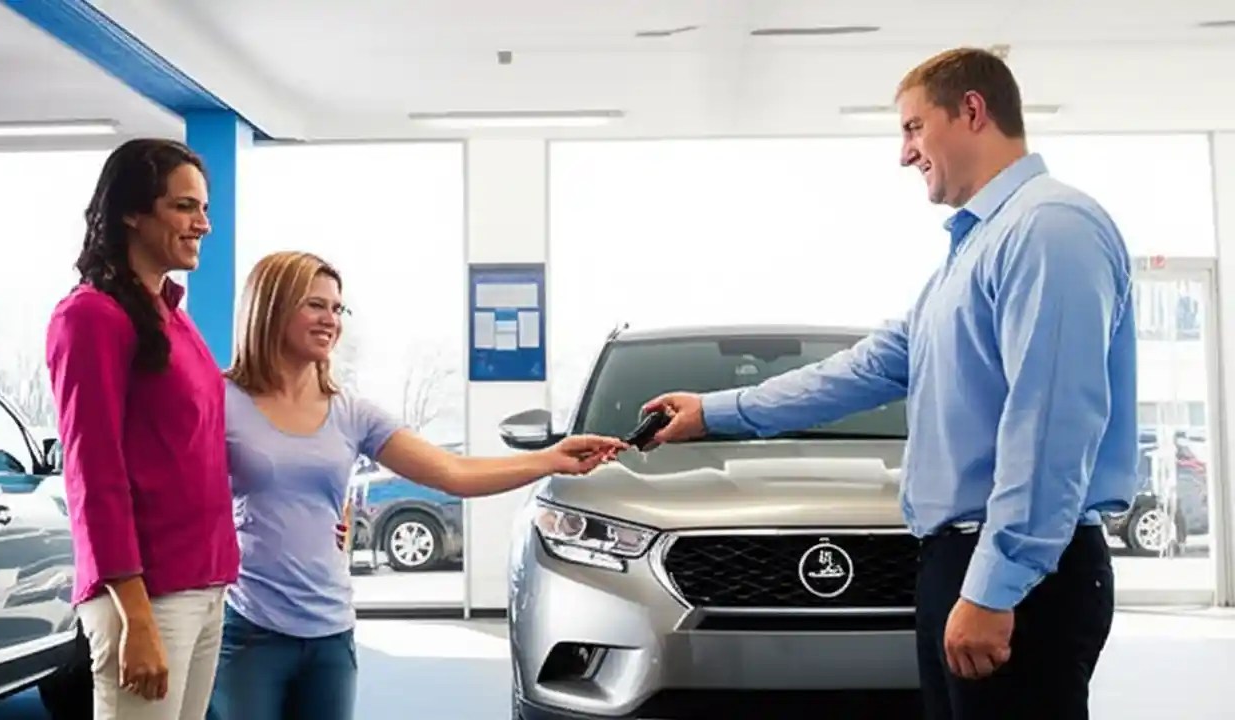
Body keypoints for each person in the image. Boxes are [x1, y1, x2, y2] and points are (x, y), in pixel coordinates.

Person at [643, 47, 1136, 719]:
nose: (905, 153)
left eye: (912, 127)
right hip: (960, 561)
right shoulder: (972, 252)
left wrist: (996, 587)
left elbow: (1050, 426)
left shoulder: (1050, 229)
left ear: (970, 111)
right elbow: (870, 367)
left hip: (1017, 570)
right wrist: (713, 412)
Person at [207, 250, 628, 720]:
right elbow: (180, 496)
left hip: (330, 633)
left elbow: (452, 472)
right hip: (250, 630)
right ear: (272, 307)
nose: (331, 320)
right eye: (315, 305)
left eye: (336, 308)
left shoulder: (351, 412)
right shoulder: (221, 400)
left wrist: (551, 460)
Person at [46, 139, 238, 719]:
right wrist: (135, 615)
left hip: (203, 584)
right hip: (148, 597)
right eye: (184, 207)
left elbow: (198, 445)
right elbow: (92, 474)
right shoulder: (91, 316)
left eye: (204, 209)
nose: (202, 223)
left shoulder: (172, 317)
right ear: (132, 211)